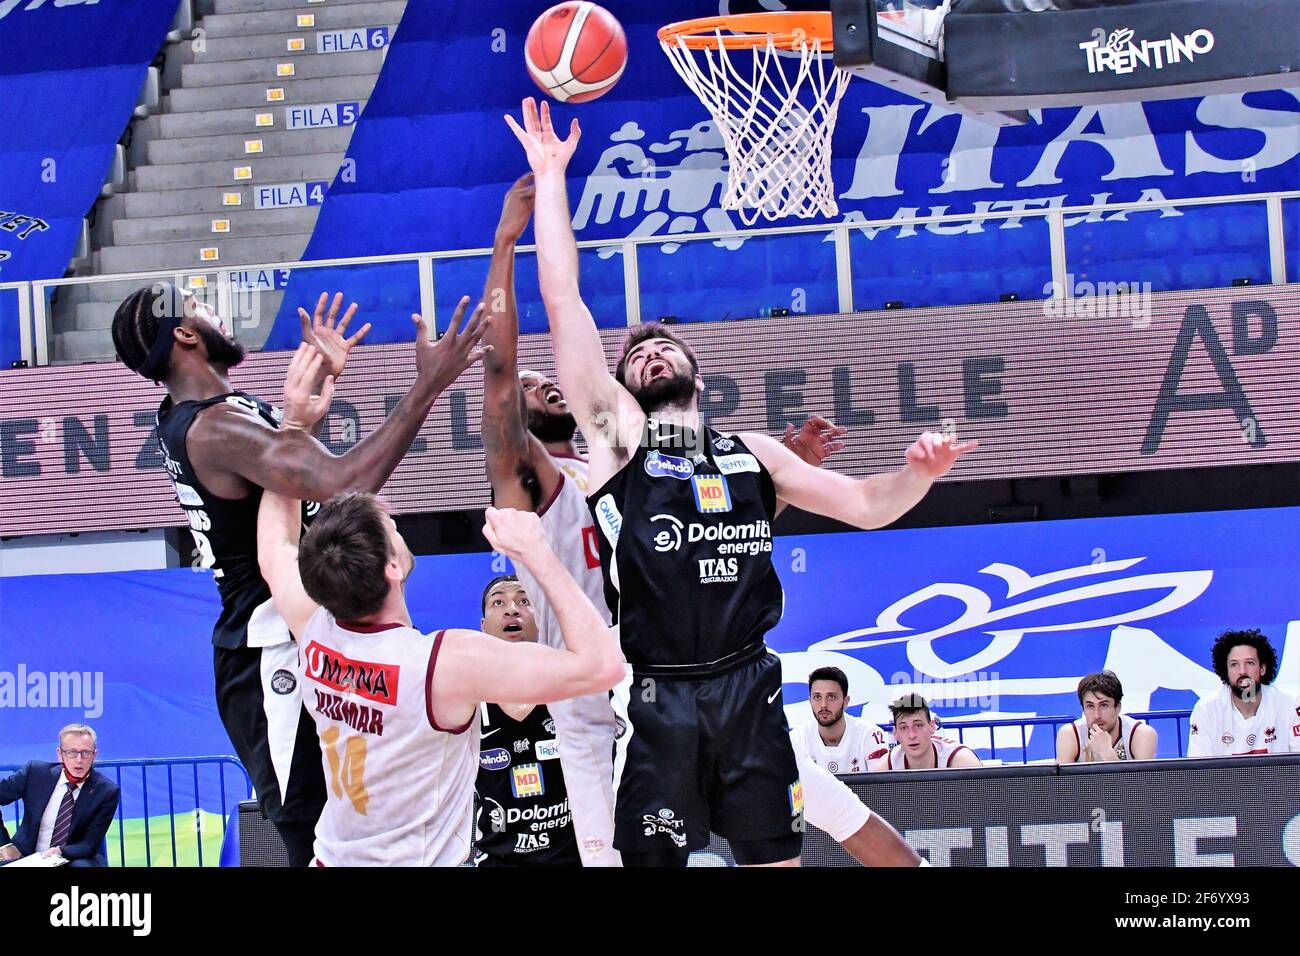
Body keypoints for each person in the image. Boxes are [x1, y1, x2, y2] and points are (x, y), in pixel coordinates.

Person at [506, 97, 977, 867]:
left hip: (749, 687)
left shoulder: (755, 452)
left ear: (698, 374)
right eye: (636, 358)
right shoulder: (620, 442)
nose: (650, 354)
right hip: (657, 694)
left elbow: (865, 504)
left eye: (663, 347)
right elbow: (564, 302)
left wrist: (916, 473)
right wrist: (552, 176)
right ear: (623, 389)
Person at [474, 174, 849, 865]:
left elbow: (713, 542)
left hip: (705, 682)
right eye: (531, 387)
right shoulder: (535, 478)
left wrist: (782, 475)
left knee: (834, 814)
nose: (544, 384)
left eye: (547, 379)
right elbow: (505, 369)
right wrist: (505, 243)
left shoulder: (634, 462)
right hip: (604, 703)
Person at [111, 282, 488, 865]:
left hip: (306, 627)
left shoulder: (224, 412)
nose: (215, 311)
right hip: (270, 652)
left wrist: (303, 416)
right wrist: (429, 384)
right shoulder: (212, 428)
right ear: (185, 334)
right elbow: (341, 484)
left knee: (364, 813)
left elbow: (297, 485)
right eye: (198, 305)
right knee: (310, 830)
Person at [255, 350, 623, 866]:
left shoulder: (313, 629)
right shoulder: (439, 665)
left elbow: (274, 548)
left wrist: (294, 426)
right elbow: (603, 666)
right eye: (392, 529)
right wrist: (539, 553)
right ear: (393, 567)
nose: (397, 527)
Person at [472, 575, 582, 867]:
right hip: (497, 860)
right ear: (483, 626)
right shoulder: (467, 703)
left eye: (524, 600)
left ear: (541, 618)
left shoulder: (574, 692)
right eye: (498, 602)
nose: (512, 609)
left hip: (575, 858)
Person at [0, 725, 120, 867]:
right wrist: (4, 844)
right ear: (60, 754)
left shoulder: (106, 791)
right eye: (71, 752)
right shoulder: (35, 773)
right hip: (25, 854)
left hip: (72, 857)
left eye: (86, 753)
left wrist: (59, 851)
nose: (79, 760)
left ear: (94, 755)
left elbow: (89, 844)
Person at [1188, 629, 1300, 757]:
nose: (1242, 671)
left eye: (1249, 663)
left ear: (1262, 668)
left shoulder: (1291, 704)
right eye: (1234, 664)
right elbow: (1199, 767)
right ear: (1226, 670)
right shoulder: (1206, 709)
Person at [795, 666, 890, 774]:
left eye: (831, 697)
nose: (823, 705)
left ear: (845, 701)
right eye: (817, 697)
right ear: (810, 701)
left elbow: (880, 783)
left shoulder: (869, 735)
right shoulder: (798, 738)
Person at [1055, 671, 1157, 763]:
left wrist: (1107, 754)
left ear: (1118, 707)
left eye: (1104, 705)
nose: (1097, 715)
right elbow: (1064, 779)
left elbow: (1143, 779)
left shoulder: (1141, 734)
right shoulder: (1070, 734)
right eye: (1090, 706)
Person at [873, 695, 982, 770]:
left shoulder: (962, 761)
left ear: (932, 727)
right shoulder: (886, 767)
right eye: (903, 728)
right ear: (896, 733)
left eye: (918, 725)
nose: (912, 735)